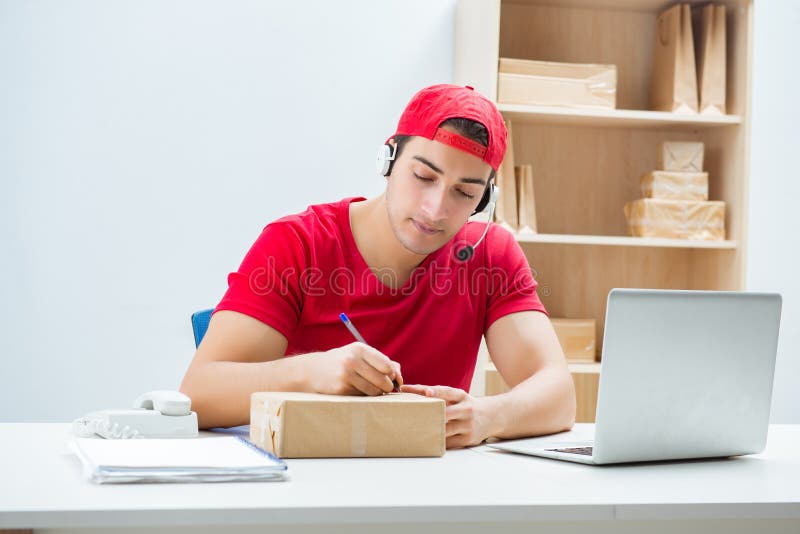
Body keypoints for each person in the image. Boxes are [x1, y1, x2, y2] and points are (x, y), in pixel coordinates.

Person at [180, 84, 575, 448]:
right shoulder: (298, 244)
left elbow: (558, 394)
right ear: (388, 159)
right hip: (306, 485)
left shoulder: (490, 254)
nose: (434, 209)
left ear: (483, 201)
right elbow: (199, 391)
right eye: (423, 176)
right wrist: (311, 373)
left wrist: (489, 417)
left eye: (464, 192)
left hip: (430, 494)